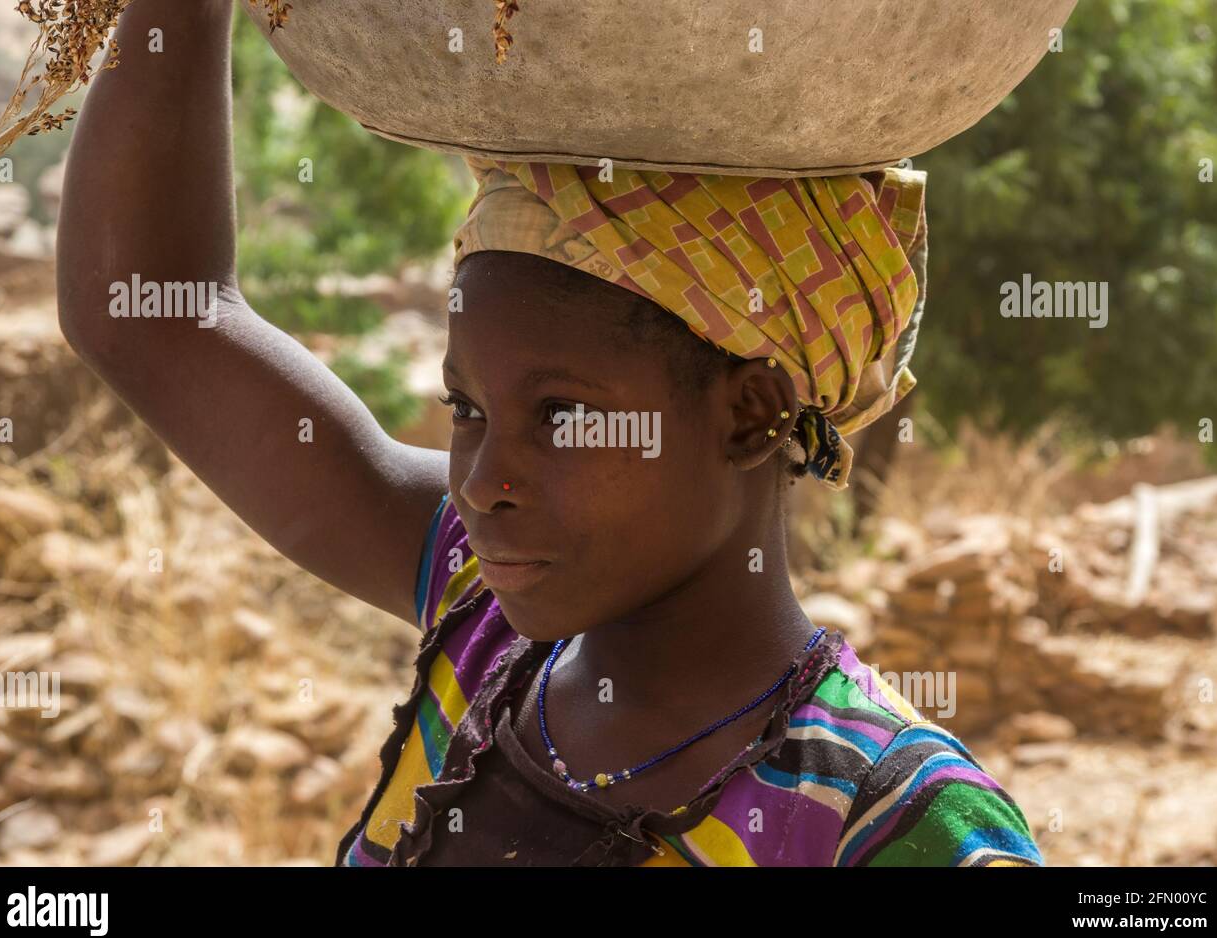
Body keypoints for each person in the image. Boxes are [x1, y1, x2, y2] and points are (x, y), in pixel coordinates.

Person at [56, 0, 1043, 867]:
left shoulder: (890, 823)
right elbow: (144, 313)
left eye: (561, 415)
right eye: (466, 408)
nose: (483, 481)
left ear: (749, 414)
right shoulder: (478, 620)